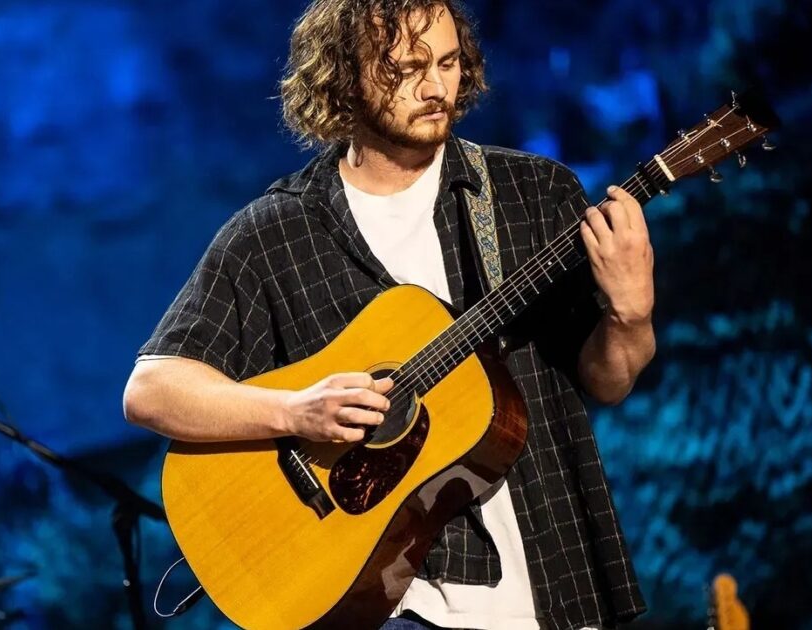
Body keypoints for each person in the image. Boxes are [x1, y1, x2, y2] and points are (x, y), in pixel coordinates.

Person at [123, 0, 655, 628]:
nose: (437, 88)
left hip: (552, 575)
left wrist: (630, 315)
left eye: (450, 63)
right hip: (396, 602)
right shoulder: (275, 234)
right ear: (344, 77)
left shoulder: (533, 195)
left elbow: (609, 380)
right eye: (408, 68)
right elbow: (151, 390)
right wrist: (295, 410)